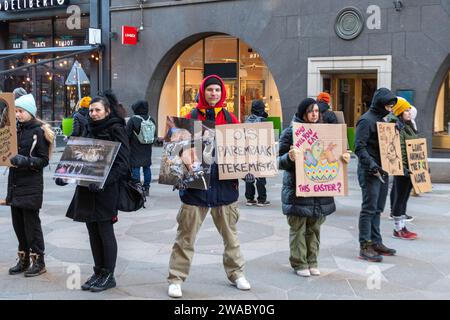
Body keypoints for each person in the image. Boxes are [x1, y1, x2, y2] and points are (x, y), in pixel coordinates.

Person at [167, 75, 251, 298]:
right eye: (210, 90)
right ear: (202, 92)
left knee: (231, 237)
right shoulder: (188, 118)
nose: (213, 93)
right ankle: (176, 278)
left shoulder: (231, 119)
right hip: (195, 189)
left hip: (225, 188)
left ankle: (237, 273)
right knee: (185, 237)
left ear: (222, 93)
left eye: (217, 90)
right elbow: (175, 153)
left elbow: (241, 150)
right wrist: (172, 134)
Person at [56, 90, 130, 292]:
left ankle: (109, 274)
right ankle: (98, 271)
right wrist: (64, 175)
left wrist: (104, 182)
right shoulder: (88, 128)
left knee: (105, 231)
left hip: (106, 191)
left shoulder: (116, 129)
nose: (94, 113)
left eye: (97, 110)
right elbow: (78, 157)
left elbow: (123, 165)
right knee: (92, 231)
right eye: (91, 110)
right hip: (86, 189)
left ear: (107, 111)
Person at [279, 98, 349, 277]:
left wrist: (344, 158)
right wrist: (289, 157)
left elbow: (332, 156)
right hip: (297, 190)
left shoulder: (326, 133)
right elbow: (278, 161)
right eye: (311, 111)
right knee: (298, 228)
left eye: (317, 111)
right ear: (303, 113)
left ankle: (313, 261)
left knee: (315, 228)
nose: (314, 115)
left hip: (320, 190)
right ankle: (299, 263)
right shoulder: (290, 133)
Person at [6, 93, 54, 277]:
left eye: (20, 111)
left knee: (31, 225)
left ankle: (39, 261)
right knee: (18, 224)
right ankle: (24, 258)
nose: (17, 114)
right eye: (16, 111)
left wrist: (25, 161)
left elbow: (43, 160)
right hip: (15, 183)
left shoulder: (39, 131)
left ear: (30, 112)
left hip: (31, 185)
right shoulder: (15, 130)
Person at [355, 88, 398, 262]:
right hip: (370, 171)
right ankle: (365, 245)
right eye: (388, 105)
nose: (390, 108)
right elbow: (359, 147)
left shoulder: (383, 119)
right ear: (380, 103)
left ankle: (376, 241)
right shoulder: (366, 120)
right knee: (369, 208)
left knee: (378, 208)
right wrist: (372, 165)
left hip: (383, 169)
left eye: (392, 106)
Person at [388, 97, 418, 240]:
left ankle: (402, 226)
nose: (409, 112)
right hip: (403, 169)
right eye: (406, 110)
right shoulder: (397, 127)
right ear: (400, 111)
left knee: (404, 197)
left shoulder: (408, 125)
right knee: (400, 198)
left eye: (409, 109)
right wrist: (404, 168)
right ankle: (398, 228)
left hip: (411, 168)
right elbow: (399, 150)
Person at [126, 100, 156, 196]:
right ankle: (146, 188)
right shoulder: (151, 119)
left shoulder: (133, 120)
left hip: (135, 148)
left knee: (135, 168)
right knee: (147, 168)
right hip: (147, 148)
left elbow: (127, 134)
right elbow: (154, 135)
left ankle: (137, 187)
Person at [244, 99, 270, 207]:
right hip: (260, 152)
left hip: (248, 152)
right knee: (260, 176)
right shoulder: (263, 121)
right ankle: (261, 199)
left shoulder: (246, 121)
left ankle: (250, 198)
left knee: (249, 176)